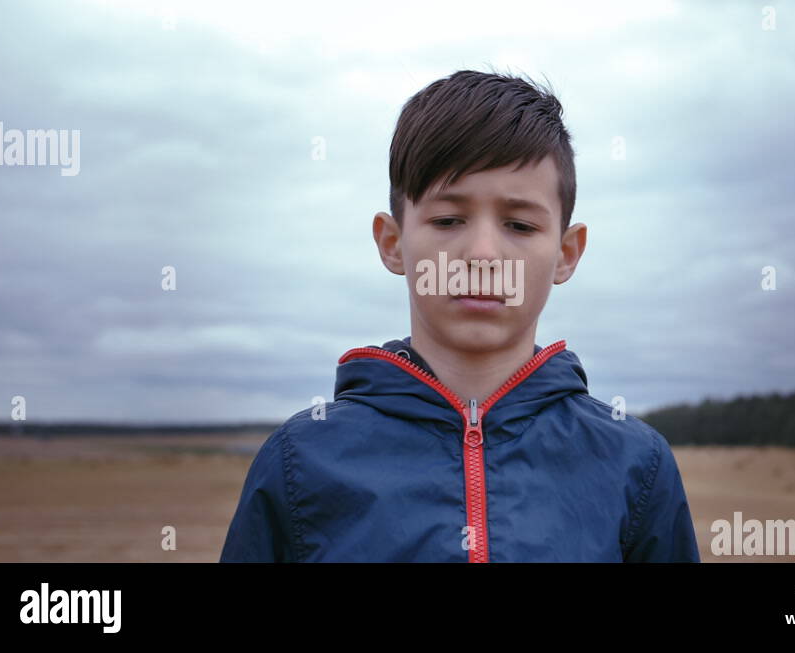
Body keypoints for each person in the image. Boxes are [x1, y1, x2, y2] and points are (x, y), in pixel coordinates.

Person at [220, 69, 700, 562]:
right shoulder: (299, 464)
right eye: (448, 220)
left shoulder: (635, 466)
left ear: (566, 252)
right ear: (392, 243)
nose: (483, 254)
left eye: (519, 224)